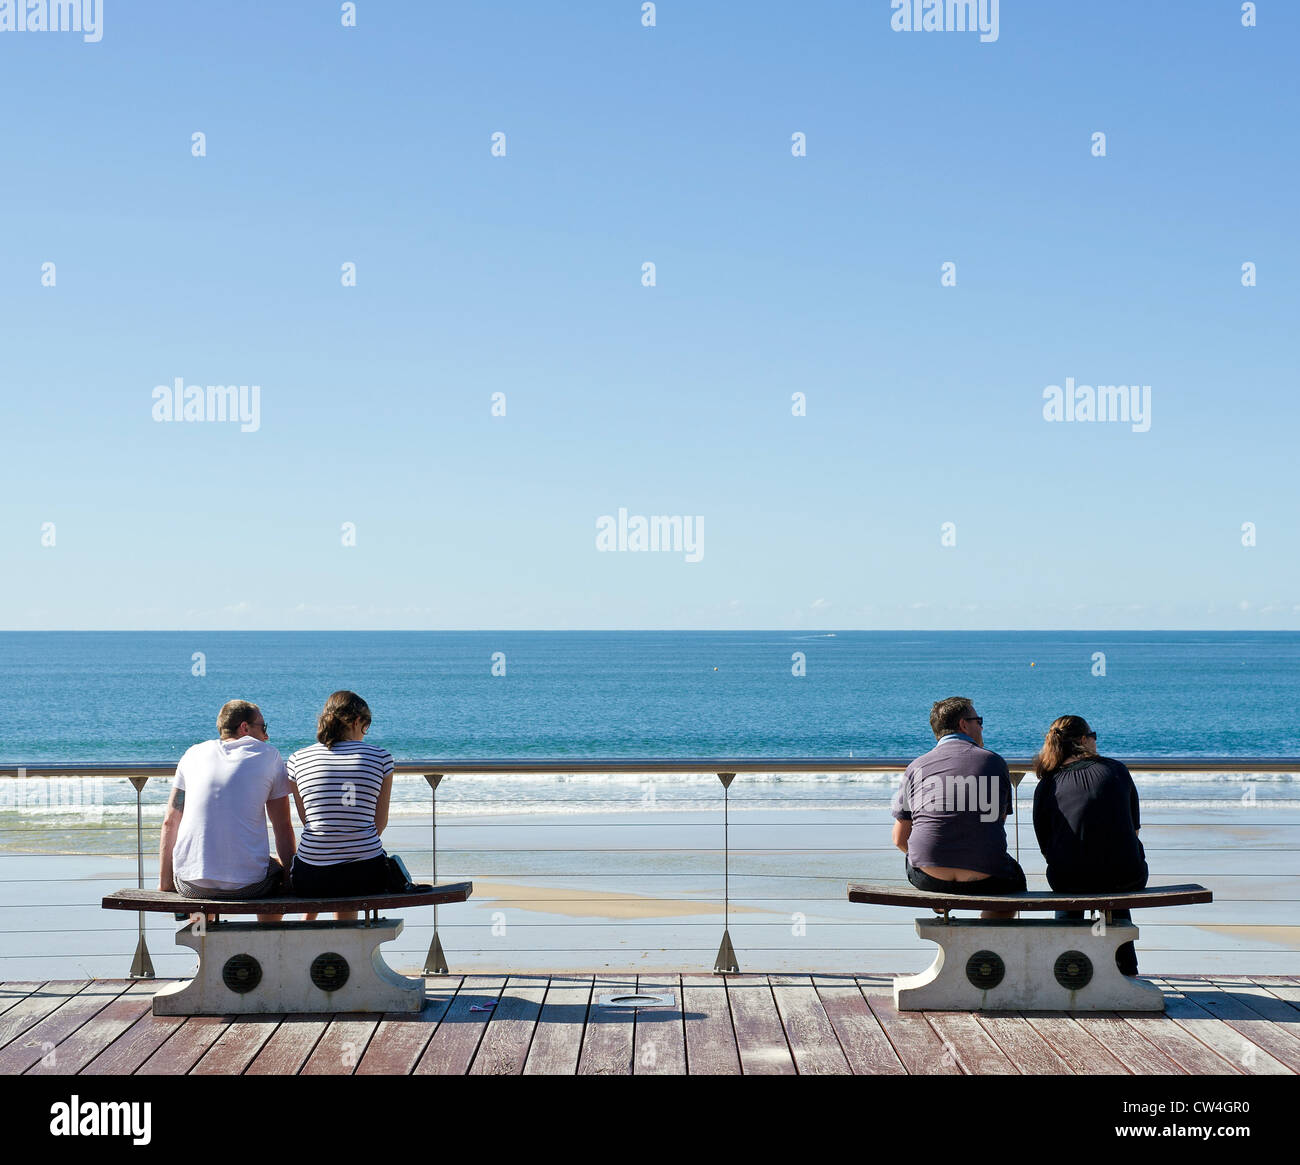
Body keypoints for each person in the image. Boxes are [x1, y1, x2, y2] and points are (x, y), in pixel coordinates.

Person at [159, 700, 297, 922]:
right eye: (264, 728)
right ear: (245, 727)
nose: (266, 736)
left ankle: (206, 950)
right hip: (249, 886)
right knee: (279, 870)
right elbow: (282, 826)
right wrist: (290, 882)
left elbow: (170, 822)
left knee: (205, 873)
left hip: (190, 886)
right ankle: (267, 944)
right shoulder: (269, 755)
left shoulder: (192, 754)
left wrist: (165, 883)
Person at [891, 696, 1025, 919]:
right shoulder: (993, 762)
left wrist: (936, 858)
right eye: (978, 721)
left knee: (919, 859)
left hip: (929, 876)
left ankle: (946, 917)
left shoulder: (916, 767)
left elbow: (898, 839)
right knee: (1015, 881)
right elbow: (995, 823)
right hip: (985, 876)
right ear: (964, 724)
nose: (981, 727)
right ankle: (986, 945)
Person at [1032, 715, 1147, 975]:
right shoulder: (1116, 770)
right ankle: (1124, 968)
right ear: (1084, 740)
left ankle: (1067, 968)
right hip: (1126, 875)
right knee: (1114, 876)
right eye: (1093, 736)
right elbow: (1134, 829)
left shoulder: (1047, 784)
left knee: (1070, 883)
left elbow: (1045, 844)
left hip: (1069, 878)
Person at [288, 690, 395, 920]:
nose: (364, 735)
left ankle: (312, 933)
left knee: (323, 865)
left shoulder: (297, 759)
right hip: (368, 876)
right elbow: (380, 823)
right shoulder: (381, 757)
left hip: (311, 878)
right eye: (365, 728)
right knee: (357, 868)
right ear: (357, 722)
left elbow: (307, 820)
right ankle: (346, 949)